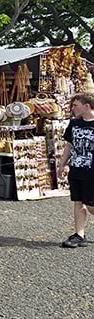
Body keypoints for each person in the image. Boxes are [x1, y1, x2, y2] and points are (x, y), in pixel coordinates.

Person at [57, 93, 94, 248]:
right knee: (78, 201)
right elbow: (69, 145)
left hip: (92, 171)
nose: (72, 108)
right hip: (77, 168)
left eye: (75, 105)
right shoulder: (74, 124)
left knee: (91, 204)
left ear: (87, 106)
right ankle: (79, 234)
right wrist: (62, 164)